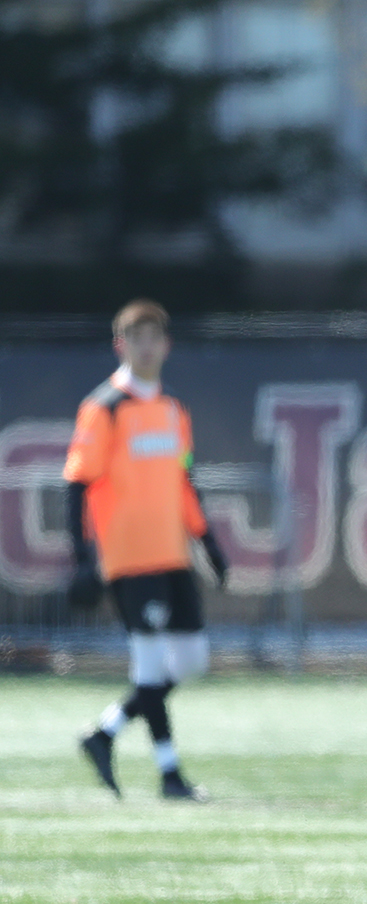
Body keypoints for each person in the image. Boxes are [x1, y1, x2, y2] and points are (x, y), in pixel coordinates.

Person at [65, 299, 228, 802]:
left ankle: (105, 732)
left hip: (173, 554)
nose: (147, 346)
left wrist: (208, 542)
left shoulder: (173, 409)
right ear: (121, 345)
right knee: (152, 666)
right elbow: (77, 483)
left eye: (155, 336)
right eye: (137, 337)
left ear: (167, 344)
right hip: (129, 557)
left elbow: (184, 479)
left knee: (191, 660)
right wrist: (83, 559)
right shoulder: (104, 408)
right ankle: (169, 775)